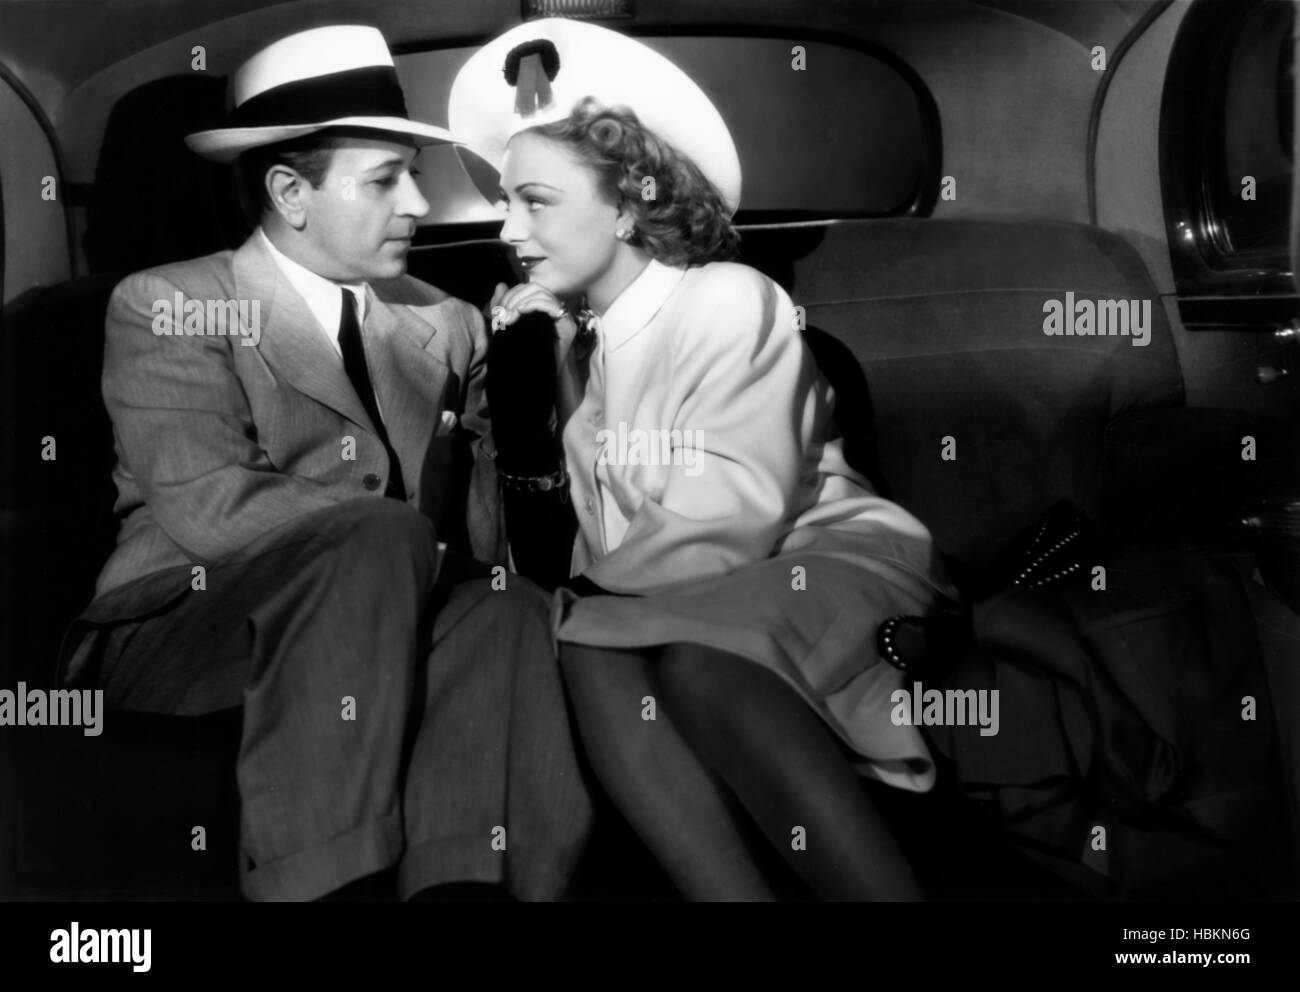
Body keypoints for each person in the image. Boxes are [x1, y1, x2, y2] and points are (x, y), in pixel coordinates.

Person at [56, 24, 592, 902]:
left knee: (507, 610)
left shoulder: (450, 323)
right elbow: (208, 509)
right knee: (379, 536)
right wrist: (403, 549)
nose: (418, 203)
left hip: (394, 605)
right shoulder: (172, 303)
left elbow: (492, 536)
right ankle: (324, 891)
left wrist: (541, 388)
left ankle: (469, 887)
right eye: (385, 181)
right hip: (188, 625)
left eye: (413, 176)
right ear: (288, 192)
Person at [450, 21, 958, 901]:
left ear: (624, 206)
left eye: (535, 200)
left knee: (661, 651)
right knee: (592, 651)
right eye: (506, 201)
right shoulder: (575, 351)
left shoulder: (729, 297)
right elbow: (539, 550)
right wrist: (518, 396)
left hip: (816, 560)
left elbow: (729, 515)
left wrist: (584, 599)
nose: (508, 230)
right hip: (681, 597)